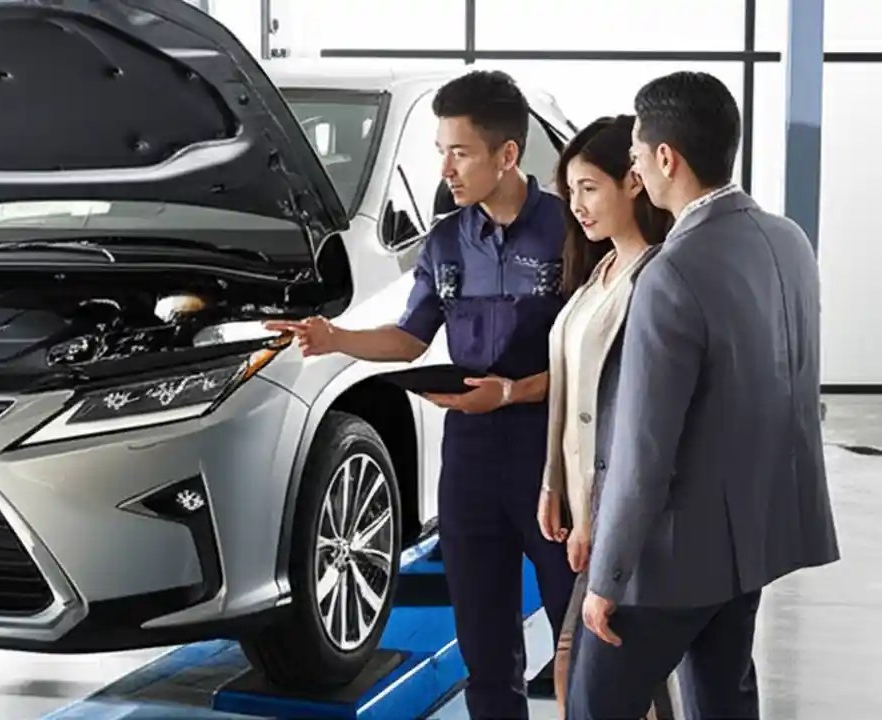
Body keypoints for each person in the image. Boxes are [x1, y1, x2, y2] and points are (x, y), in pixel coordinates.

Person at [267, 70, 576, 720]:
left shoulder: (572, 232)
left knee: (577, 633)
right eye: (441, 150)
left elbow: (595, 362)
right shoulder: (445, 240)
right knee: (485, 648)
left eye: (459, 151)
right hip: (468, 459)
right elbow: (410, 340)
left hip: (550, 457)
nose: (447, 166)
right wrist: (335, 337)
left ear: (507, 154)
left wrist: (515, 392)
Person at [565, 71, 841, 719]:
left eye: (635, 155)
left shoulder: (671, 272)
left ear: (667, 157)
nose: (634, 168)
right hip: (751, 541)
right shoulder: (788, 240)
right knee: (723, 701)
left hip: (667, 560)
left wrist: (606, 580)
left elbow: (644, 450)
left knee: (593, 710)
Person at [534, 114, 674, 719]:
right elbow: (573, 395)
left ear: (634, 182)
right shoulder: (600, 273)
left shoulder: (653, 278)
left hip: (624, 514)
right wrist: (552, 485)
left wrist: (596, 517)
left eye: (589, 188)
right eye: (570, 191)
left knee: (592, 664)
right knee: (592, 666)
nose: (577, 205)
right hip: (587, 508)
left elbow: (629, 420)